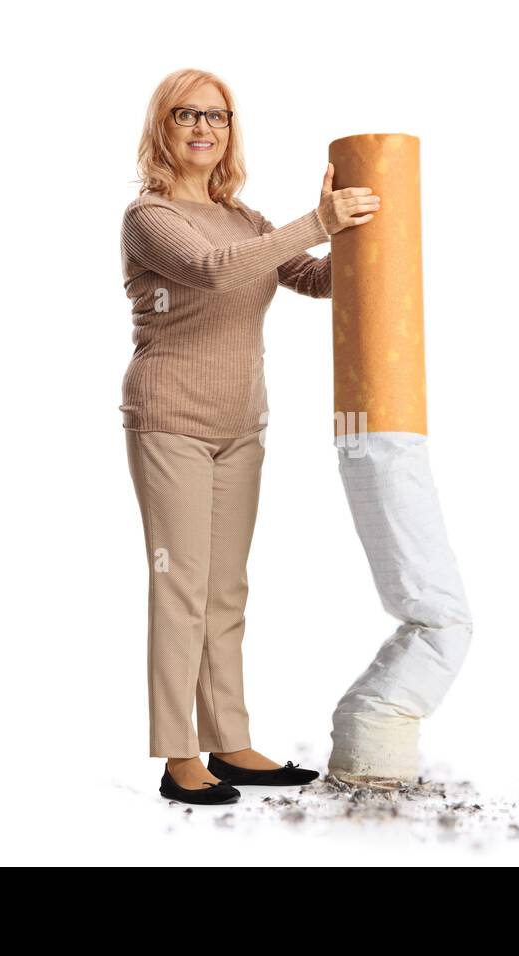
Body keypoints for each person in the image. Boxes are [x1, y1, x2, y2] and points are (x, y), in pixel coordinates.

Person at [120, 69, 380, 804]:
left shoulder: (246, 218)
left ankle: (230, 742)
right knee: (182, 587)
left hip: (242, 426)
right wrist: (319, 220)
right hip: (171, 418)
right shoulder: (150, 217)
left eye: (219, 116)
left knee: (226, 590)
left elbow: (312, 276)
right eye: (186, 115)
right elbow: (211, 272)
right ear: (162, 128)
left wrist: (371, 228)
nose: (204, 127)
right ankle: (179, 757)